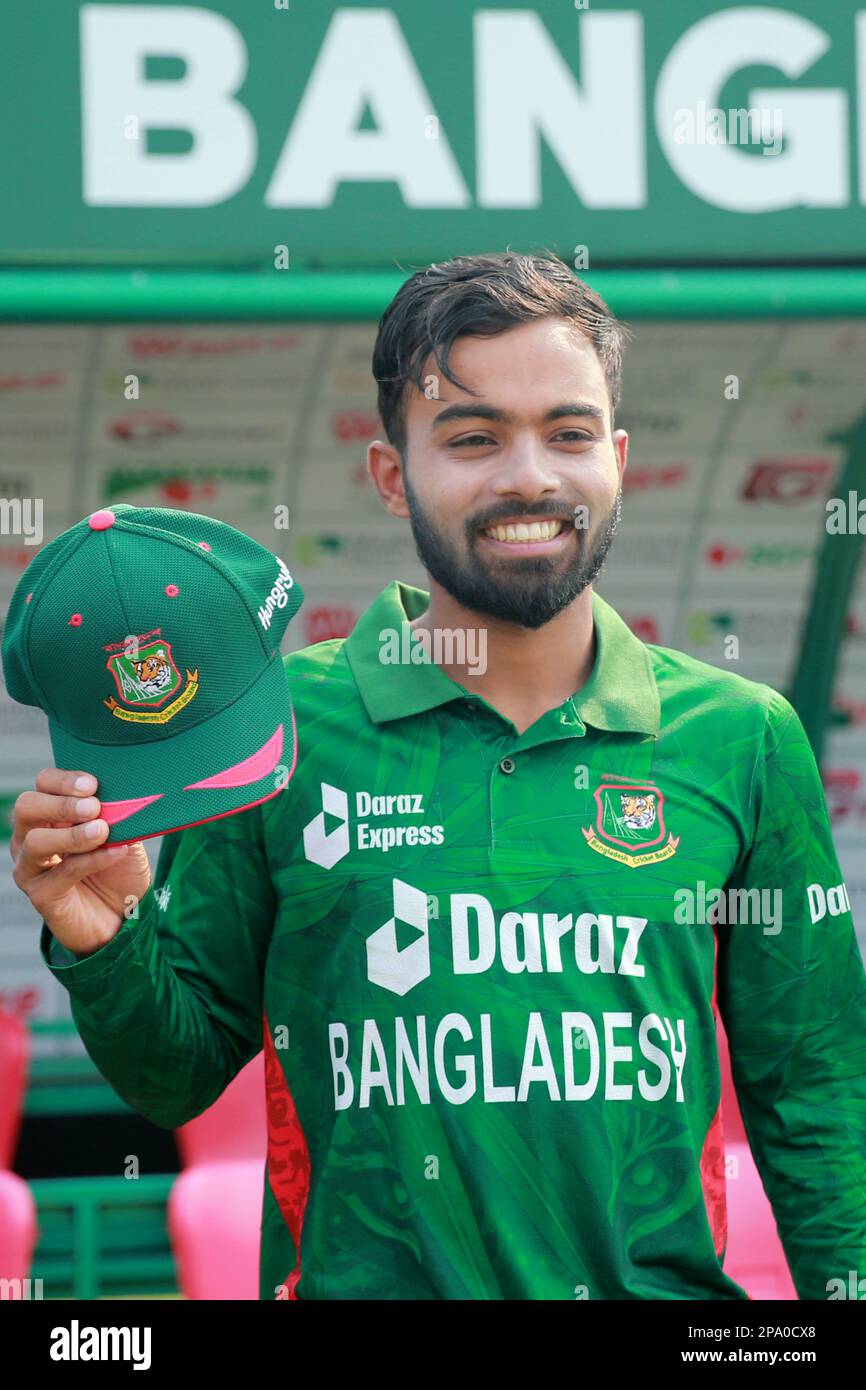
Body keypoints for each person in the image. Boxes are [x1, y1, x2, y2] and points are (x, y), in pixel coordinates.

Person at [9, 252, 866, 1300]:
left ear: (618, 458)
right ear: (390, 473)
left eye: (567, 432)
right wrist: (107, 941)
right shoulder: (285, 733)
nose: (528, 477)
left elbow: (816, 1098)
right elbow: (173, 1076)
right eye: (471, 437)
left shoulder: (740, 736)